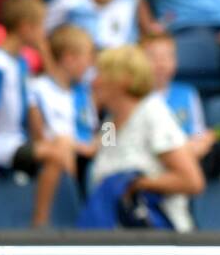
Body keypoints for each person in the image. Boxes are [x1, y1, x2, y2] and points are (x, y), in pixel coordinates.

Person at [0, 0, 76, 226]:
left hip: (15, 139)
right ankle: (40, 222)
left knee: (61, 148)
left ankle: (69, 216)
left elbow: (32, 106)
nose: (43, 34)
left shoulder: (20, 62)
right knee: (55, 156)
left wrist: (42, 139)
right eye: (40, 27)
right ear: (26, 27)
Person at [88, 44, 205, 230]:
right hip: (116, 235)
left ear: (123, 79)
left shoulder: (153, 113)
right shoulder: (109, 123)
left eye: (101, 74)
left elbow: (191, 181)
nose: (94, 82)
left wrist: (135, 185)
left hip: (159, 238)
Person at [28, 23, 98, 168]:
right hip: (56, 157)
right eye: (88, 57)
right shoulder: (38, 88)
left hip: (88, 158)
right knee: (63, 144)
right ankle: (72, 190)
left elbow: (100, 126)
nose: (91, 63)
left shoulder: (83, 91)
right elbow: (39, 137)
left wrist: (103, 143)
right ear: (69, 59)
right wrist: (75, 146)